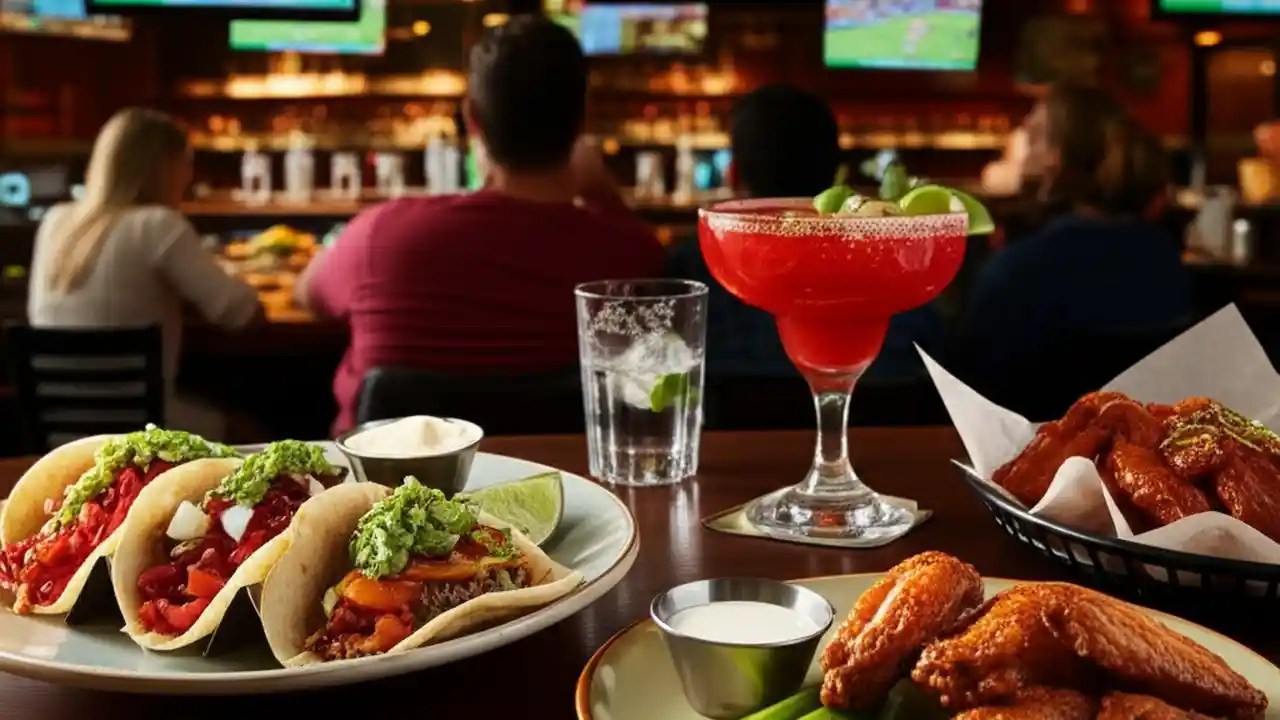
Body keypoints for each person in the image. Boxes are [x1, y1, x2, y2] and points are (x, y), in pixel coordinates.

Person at [297, 15, 664, 436]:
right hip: (564, 490)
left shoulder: (380, 234)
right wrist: (607, 197)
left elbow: (307, 295)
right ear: (584, 119)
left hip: (385, 492)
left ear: (472, 118)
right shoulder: (630, 251)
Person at [666, 84, 944, 382]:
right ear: (836, 173)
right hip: (888, 425)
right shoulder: (900, 266)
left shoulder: (693, 269)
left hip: (727, 426)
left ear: (734, 173)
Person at [27, 107, 262, 438]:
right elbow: (242, 313)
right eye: (186, 162)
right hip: (143, 430)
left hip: (61, 433)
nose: (189, 174)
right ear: (164, 167)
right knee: (253, 430)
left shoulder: (55, 222)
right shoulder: (159, 225)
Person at [964, 83, 1192, 376]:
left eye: (1032, 138)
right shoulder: (1163, 256)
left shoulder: (1018, 270)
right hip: (1139, 419)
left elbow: (966, 384)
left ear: (1054, 159)